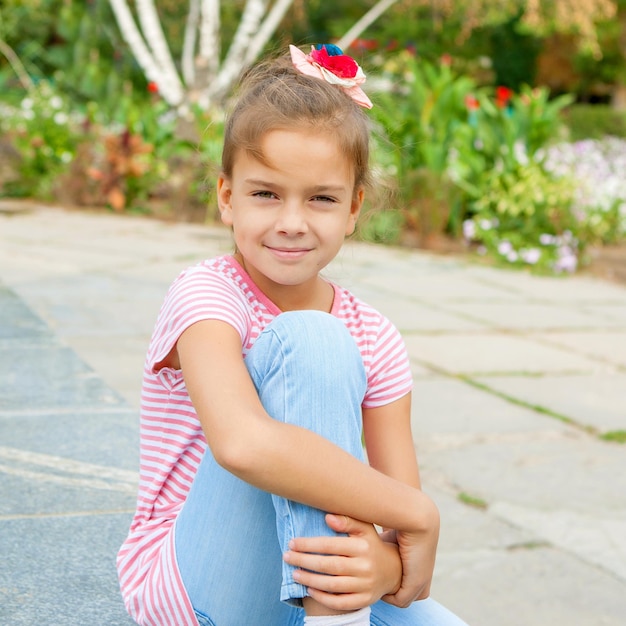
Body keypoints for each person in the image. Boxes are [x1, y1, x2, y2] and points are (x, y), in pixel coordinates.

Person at [117, 43, 468, 626]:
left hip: (309, 567)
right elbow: (242, 444)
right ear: (227, 197)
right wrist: (419, 514)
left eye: (322, 200)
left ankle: (332, 610)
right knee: (311, 341)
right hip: (198, 581)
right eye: (265, 193)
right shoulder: (206, 295)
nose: (291, 222)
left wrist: (384, 564)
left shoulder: (376, 335)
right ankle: (335, 619)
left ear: (354, 209)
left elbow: (399, 543)